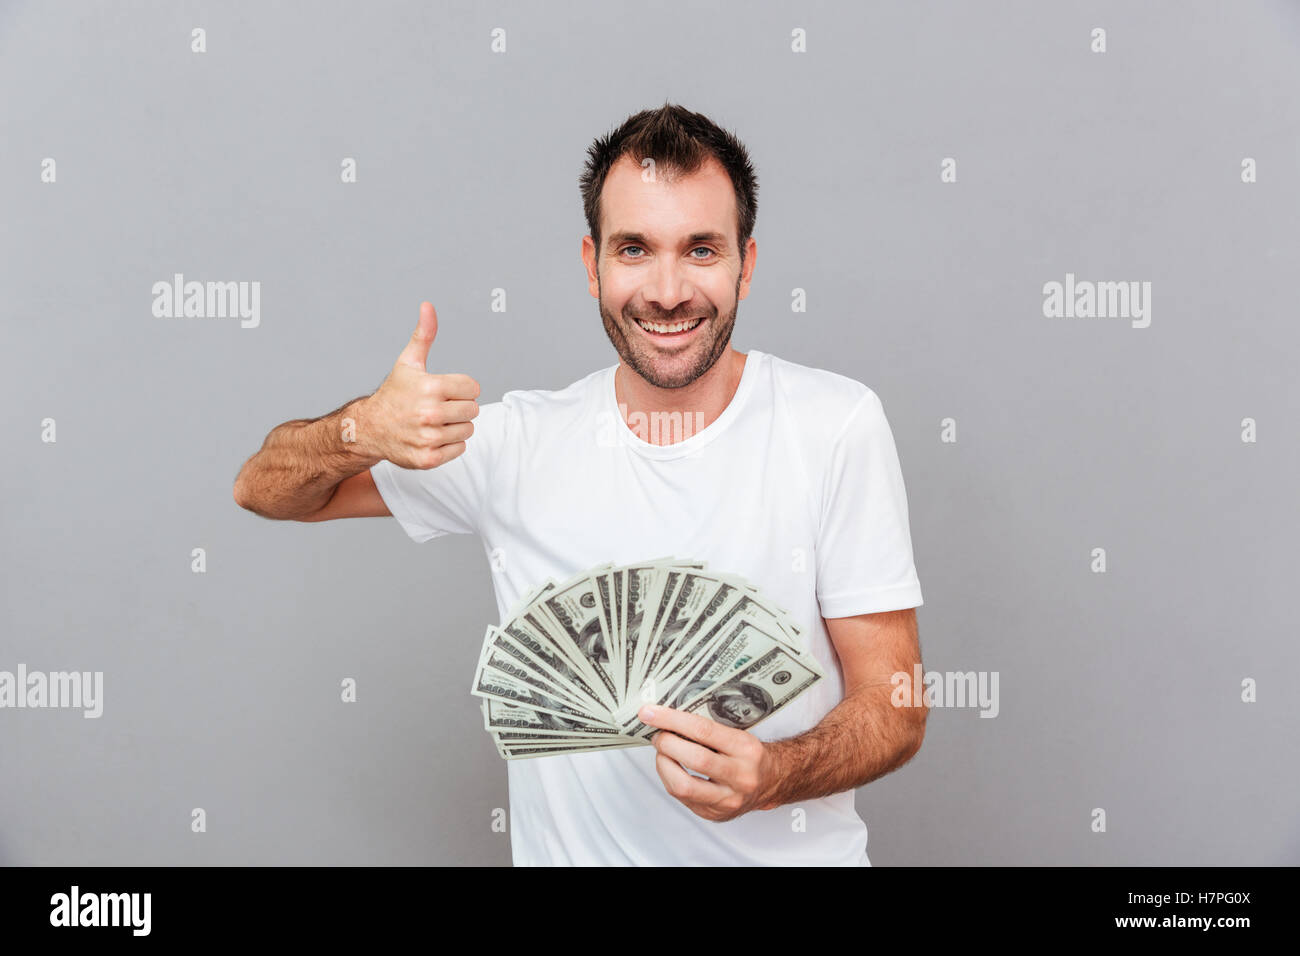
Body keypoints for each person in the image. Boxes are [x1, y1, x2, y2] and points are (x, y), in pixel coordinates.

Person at [233, 103, 929, 866]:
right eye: (635, 249)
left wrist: (774, 774)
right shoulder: (517, 445)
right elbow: (263, 489)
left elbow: (895, 709)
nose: (668, 291)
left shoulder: (834, 426)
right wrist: (359, 427)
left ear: (747, 265)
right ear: (592, 265)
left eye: (701, 250)